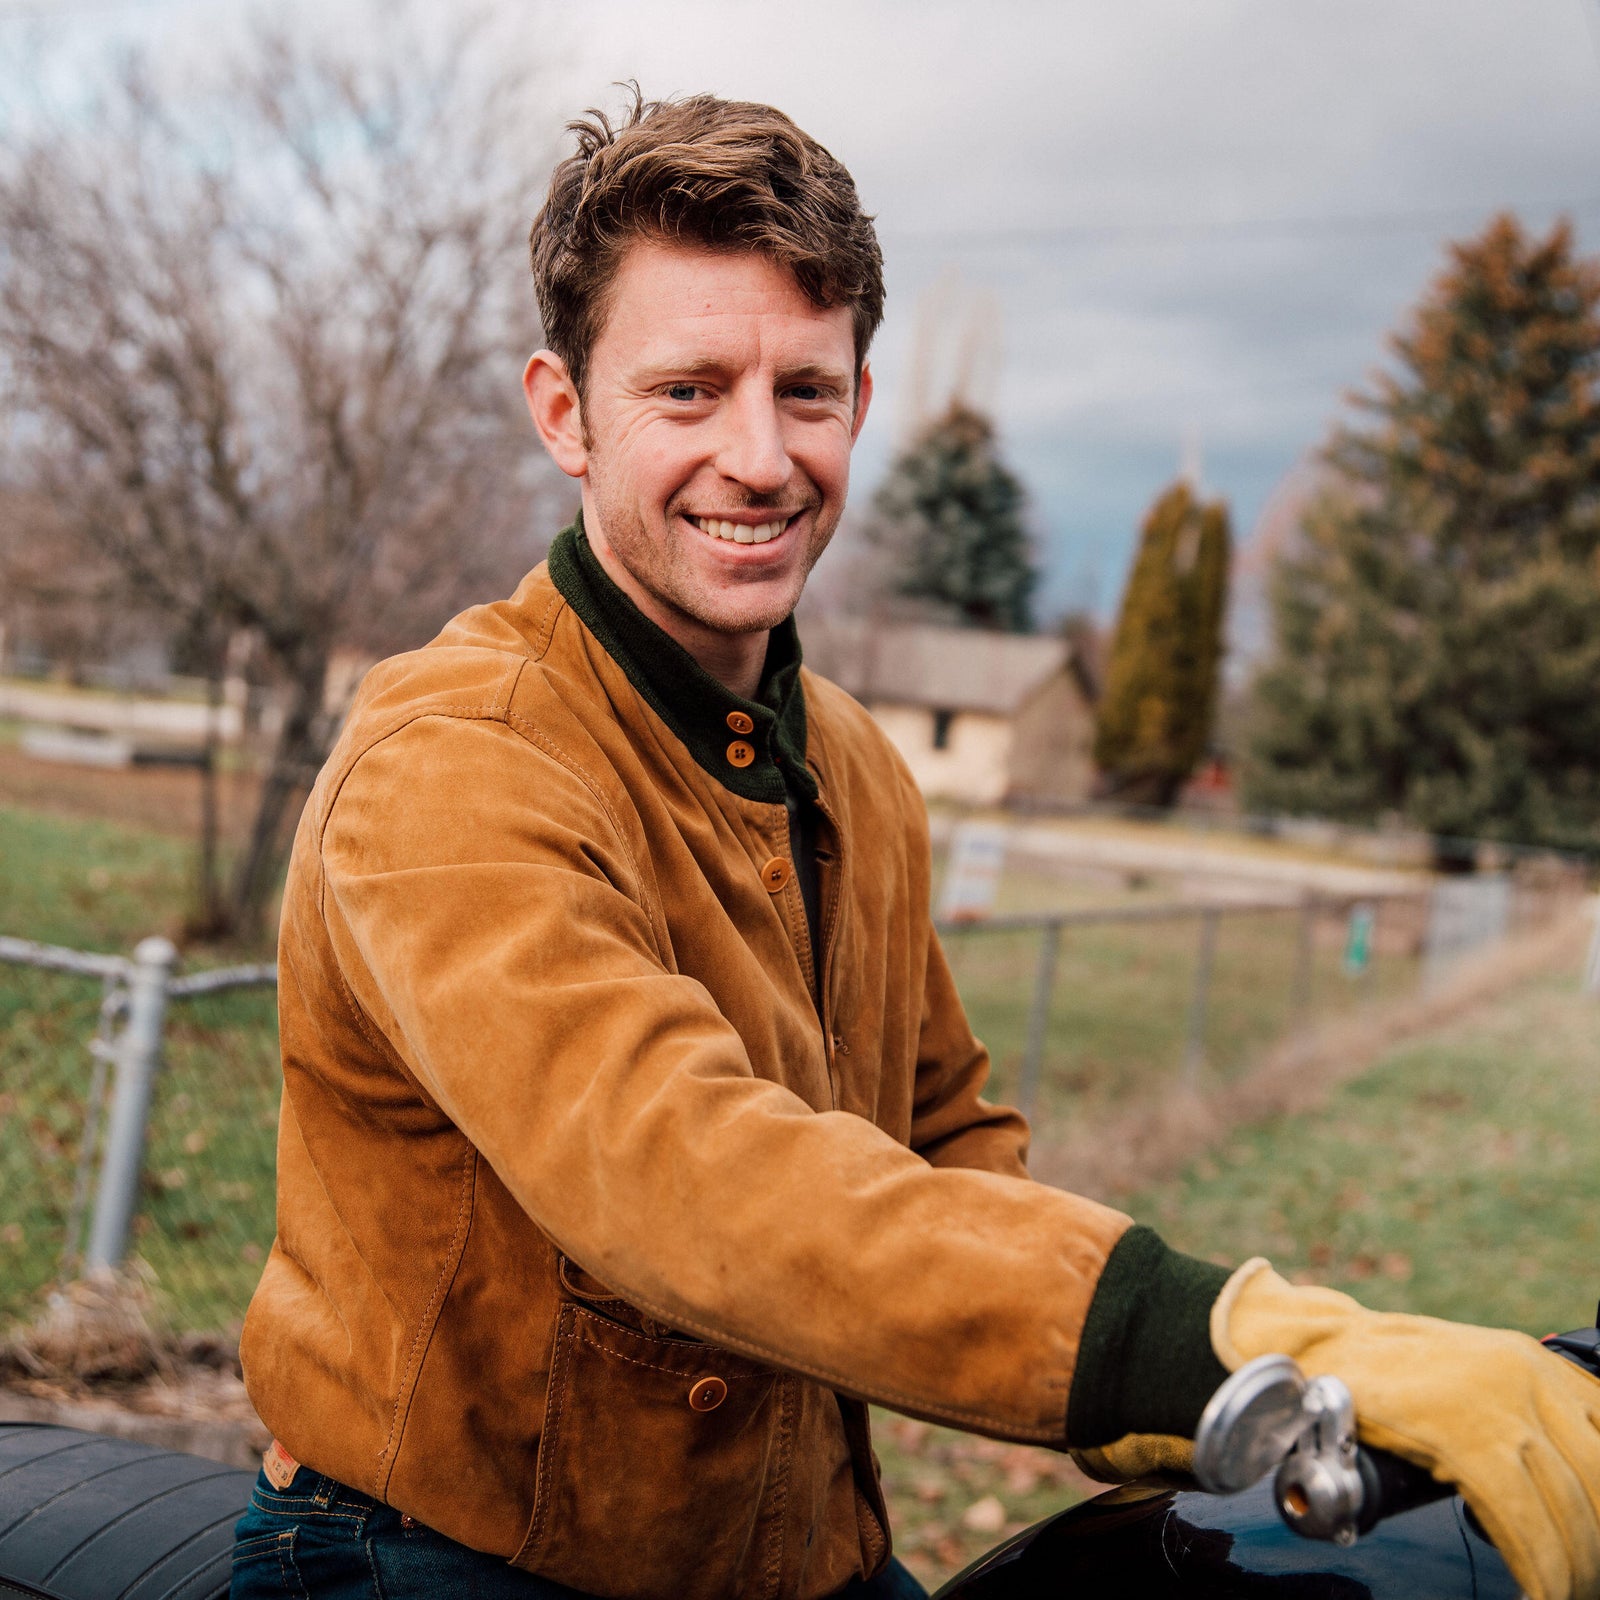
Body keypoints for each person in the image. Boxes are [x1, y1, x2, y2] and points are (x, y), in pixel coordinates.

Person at [230, 91, 1600, 1600]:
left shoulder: (862, 770)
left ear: (860, 408)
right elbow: (681, 1174)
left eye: (804, 392)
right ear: (565, 412)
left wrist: (1167, 1397)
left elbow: (946, 1137)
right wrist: (1212, 1335)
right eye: (686, 391)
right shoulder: (455, 759)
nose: (757, 457)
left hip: (797, 1557)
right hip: (438, 1556)